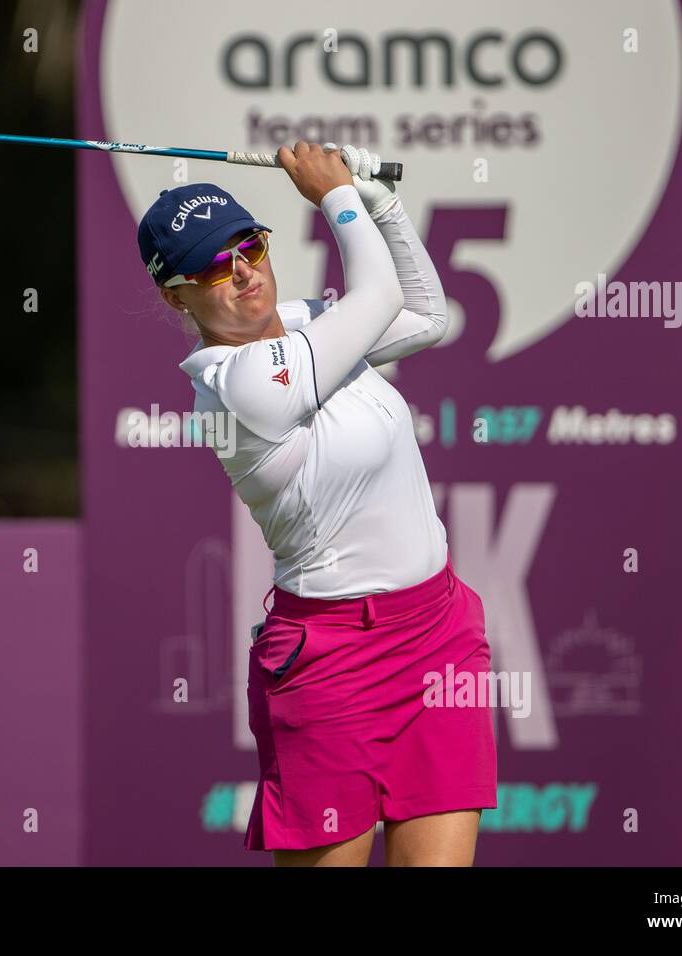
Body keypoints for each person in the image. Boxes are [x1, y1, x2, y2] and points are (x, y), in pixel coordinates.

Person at [136, 141, 497, 867]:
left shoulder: (308, 328)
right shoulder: (234, 387)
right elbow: (380, 298)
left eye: (250, 246)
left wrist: (381, 202)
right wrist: (336, 196)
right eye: (211, 265)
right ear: (177, 294)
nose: (242, 273)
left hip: (438, 632)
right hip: (332, 662)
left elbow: (426, 314)